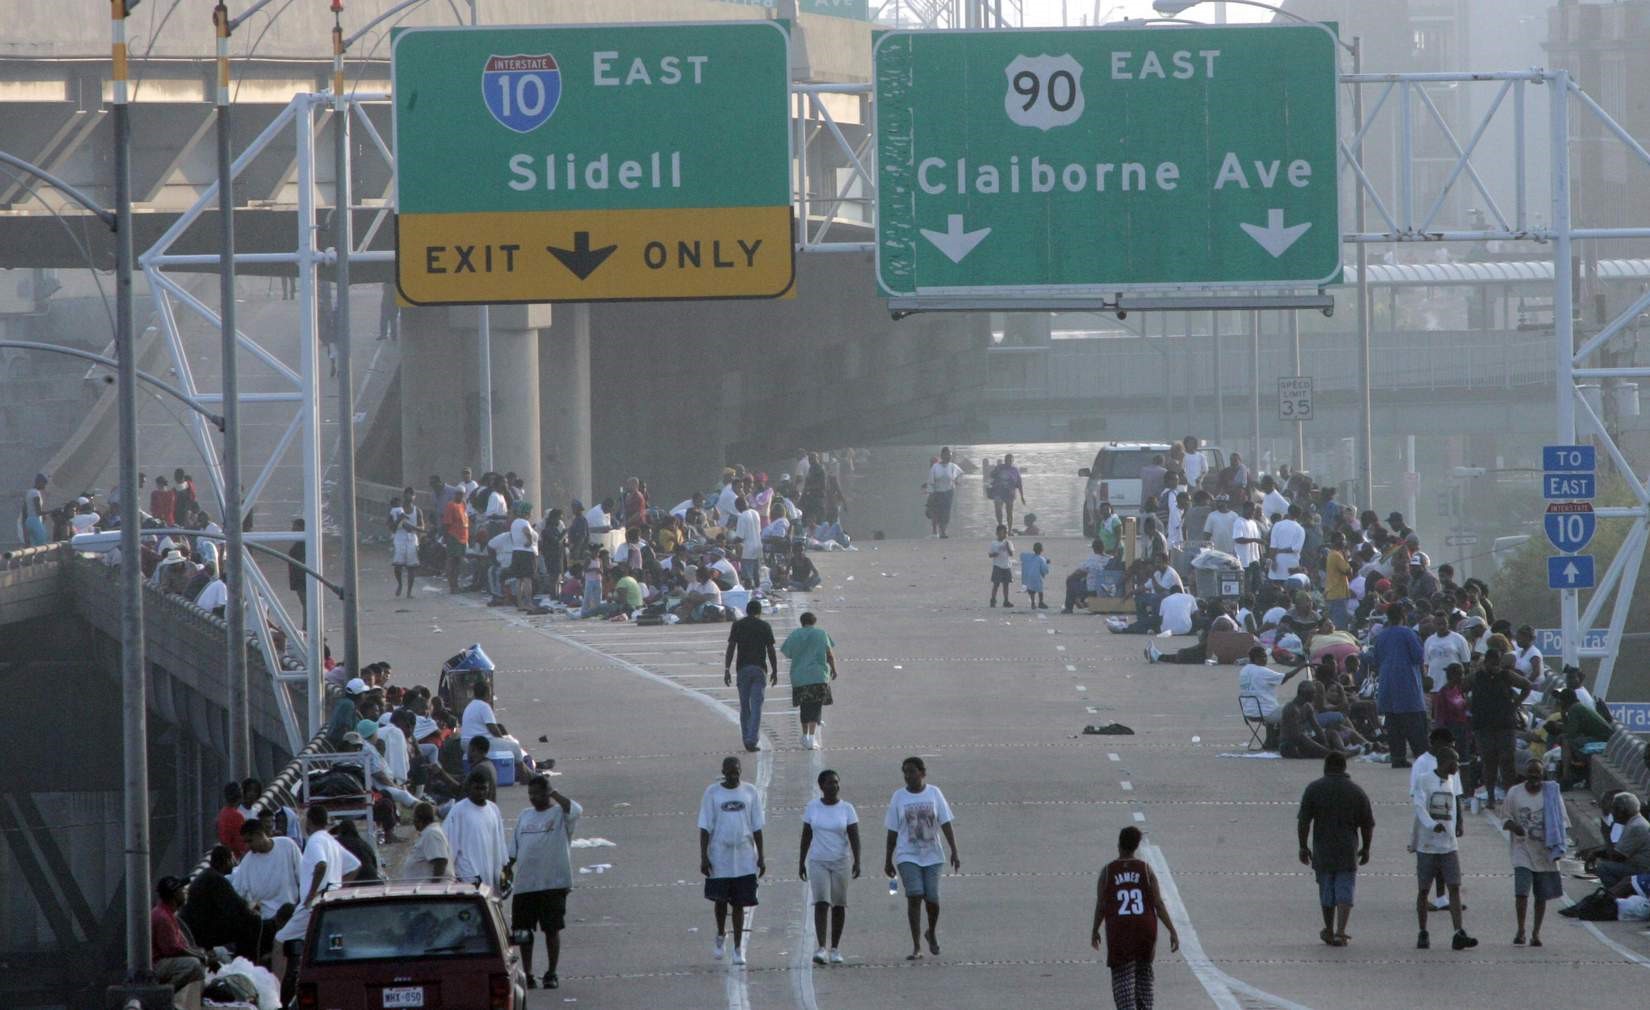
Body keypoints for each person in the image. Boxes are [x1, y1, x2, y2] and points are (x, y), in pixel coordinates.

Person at [275, 807, 362, 1004]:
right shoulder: (331, 840)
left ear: (309, 821)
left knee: (279, 941)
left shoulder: (315, 840)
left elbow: (321, 865)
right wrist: (339, 889)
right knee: (330, 947)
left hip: (314, 904)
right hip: (331, 903)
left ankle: (275, 994)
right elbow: (355, 865)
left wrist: (310, 896)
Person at [1090, 825, 1179, 1010]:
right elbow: (1158, 904)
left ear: (1118, 844)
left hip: (1120, 932)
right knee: (1143, 976)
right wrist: (1172, 930)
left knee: (1123, 980)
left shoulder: (1108, 872)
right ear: (1136, 846)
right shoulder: (1146, 870)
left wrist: (1095, 929)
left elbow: (1101, 905)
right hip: (1145, 930)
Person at [883, 756, 960, 960]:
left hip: (932, 854)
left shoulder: (934, 793)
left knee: (932, 898)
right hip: (907, 854)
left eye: (912, 772)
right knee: (915, 895)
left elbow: (945, 822)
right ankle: (916, 946)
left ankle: (931, 932)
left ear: (922, 773)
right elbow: (892, 830)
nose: (908, 776)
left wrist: (954, 850)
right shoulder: (899, 797)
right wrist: (888, 859)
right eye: (905, 772)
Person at [509, 775, 582, 990]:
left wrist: (553, 792)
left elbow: (576, 808)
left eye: (538, 793)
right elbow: (513, 849)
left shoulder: (561, 814)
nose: (533, 798)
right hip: (525, 884)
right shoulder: (524, 816)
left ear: (547, 792)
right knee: (523, 933)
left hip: (553, 883)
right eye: (530, 794)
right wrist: (506, 869)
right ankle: (528, 974)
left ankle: (551, 972)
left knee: (552, 930)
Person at [1297, 751, 1375, 946]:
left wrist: (1303, 846)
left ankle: (1329, 929)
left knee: (1326, 890)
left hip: (1323, 849)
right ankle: (1341, 930)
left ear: (1325, 767)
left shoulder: (1314, 789)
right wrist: (1366, 848)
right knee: (1344, 890)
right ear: (1344, 768)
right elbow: (1367, 824)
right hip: (1347, 849)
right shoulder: (1356, 791)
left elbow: (1304, 821)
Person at [699, 756, 766, 966]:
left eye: (736, 770)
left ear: (740, 770)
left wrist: (761, 856)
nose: (733, 775)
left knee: (739, 902)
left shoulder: (750, 792)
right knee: (720, 900)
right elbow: (704, 826)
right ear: (723, 772)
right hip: (720, 854)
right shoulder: (712, 793)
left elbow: (757, 826)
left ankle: (738, 947)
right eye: (729, 771)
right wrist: (704, 856)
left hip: (744, 855)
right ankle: (721, 933)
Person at [1412, 747, 1476, 950]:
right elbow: (1419, 808)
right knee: (1424, 889)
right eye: (1455, 761)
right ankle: (1423, 931)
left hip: (1448, 845)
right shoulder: (1424, 780)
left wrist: (1457, 826)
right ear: (1445, 761)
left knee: (1455, 886)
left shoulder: (1450, 780)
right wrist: (1431, 825)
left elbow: (1454, 807)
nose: (1457, 765)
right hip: (1428, 845)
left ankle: (1458, 932)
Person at [1502, 757, 1569, 946]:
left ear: (1543, 775)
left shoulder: (1552, 795)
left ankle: (1536, 933)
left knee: (1541, 896)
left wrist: (1557, 839)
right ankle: (1521, 930)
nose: (1534, 778)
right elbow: (1504, 819)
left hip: (1544, 852)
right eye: (1530, 774)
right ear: (1524, 774)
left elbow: (1563, 822)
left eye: (1537, 774)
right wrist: (1514, 826)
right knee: (1521, 892)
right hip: (1522, 849)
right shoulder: (1514, 793)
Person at [800, 769, 861, 966]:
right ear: (821, 786)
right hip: (818, 861)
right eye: (829, 783)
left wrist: (857, 860)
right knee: (821, 902)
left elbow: (854, 836)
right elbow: (806, 835)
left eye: (836, 782)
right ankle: (821, 948)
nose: (833, 786)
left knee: (839, 904)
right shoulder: (813, 808)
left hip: (841, 861)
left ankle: (835, 948)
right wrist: (801, 861)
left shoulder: (847, 809)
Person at [231, 818, 303, 952]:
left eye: (249, 841)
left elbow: (303, 877)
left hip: (291, 915)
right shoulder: (247, 863)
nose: (247, 846)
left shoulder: (287, 846)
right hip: (266, 923)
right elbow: (238, 893)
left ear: (259, 835)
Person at [180, 844, 263, 957]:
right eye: (232, 859)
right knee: (253, 921)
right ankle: (246, 962)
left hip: (198, 929)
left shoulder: (207, 875)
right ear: (227, 860)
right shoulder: (215, 879)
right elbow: (238, 907)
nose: (234, 864)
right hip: (203, 933)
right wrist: (253, 906)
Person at [1374, 602, 1429, 768]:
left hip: (1387, 684)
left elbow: (1376, 658)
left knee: (1393, 723)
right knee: (1415, 725)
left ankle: (1397, 757)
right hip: (1407, 685)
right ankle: (1422, 759)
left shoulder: (1381, 636)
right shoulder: (1408, 633)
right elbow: (1418, 656)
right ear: (1403, 616)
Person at [724, 600, 778, 752]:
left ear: (747, 611)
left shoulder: (738, 625)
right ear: (759, 612)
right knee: (756, 706)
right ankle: (752, 739)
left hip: (743, 669)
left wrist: (727, 669)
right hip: (759, 669)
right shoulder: (764, 626)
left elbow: (731, 647)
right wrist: (775, 670)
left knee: (744, 706)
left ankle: (746, 737)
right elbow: (770, 649)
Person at [782, 611, 838, 750]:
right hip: (818, 675)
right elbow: (829, 654)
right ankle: (811, 738)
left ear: (802, 622)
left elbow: (787, 652)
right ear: (814, 621)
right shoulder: (821, 633)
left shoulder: (795, 634)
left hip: (799, 676)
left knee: (804, 706)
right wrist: (834, 669)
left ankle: (805, 735)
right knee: (816, 706)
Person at [460, 679, 536, 781]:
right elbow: (493, 728)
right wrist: (503, 739)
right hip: (479, 744)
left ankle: (526, 773)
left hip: (465, 743)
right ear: (487, 692)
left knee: (508, 744)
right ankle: (524, 776)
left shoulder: (469, 706)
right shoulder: (484, 706)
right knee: (514, 746)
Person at [152, 876, 218, 991]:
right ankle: (163, 993)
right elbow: (173, 950)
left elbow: (182, 946)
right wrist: (203, 958)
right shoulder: (162, 917)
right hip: (155, 965)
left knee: (200, 956)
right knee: (193, 964)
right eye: (182, 890)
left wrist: (202, 954)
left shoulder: (167, 912)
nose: (185, 892)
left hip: (163, 961)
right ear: (174, 895)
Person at [445, 770, 509, 888]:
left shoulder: (494, 809)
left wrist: (505, 868)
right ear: (469, 788)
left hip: (490, 878)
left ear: (489, 788)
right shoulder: (458, 811)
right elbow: (449, 847)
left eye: (484, 788)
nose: (481, 792)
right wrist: (453, 876)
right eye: (477, 788)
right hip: (468, 879)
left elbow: (500, 843)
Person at [1593, 793, 1650, 889]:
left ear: (1622, 811)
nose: (1612, 813)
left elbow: (1618, 856)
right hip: (1637, 866)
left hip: (1640, 870)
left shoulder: (1636, 826)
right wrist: (1597, 853)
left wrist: (1606, 833)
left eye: (1614, 809)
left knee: (1603, 867)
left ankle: (1615, 896)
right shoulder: (1634, 822)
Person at [401, 801, 452, 881]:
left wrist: (433, 888)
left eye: (414, 818)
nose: (413, 821)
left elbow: (440, 861)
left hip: (430, 891)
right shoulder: (428, 833)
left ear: (418, 819)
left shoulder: (432, 834)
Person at [390, 486, 425, 597]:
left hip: (412, 538)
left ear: (414, 497)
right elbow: (391, 527)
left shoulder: (417, 511)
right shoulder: (396, 510)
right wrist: (399, 521)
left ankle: (409, 592)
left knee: (411, 567)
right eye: (407, 494)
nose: (409, 496)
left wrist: (414, 529)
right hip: (400, 537)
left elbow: (422, 527)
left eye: (412, 494)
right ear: (404, 495)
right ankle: (400, 584)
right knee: (398, 565)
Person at [926, 447, 962, 538]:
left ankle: (943, 531)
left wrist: (956, 481)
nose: (948, 457)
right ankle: (937, 531)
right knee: (938, 512)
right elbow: (930, 481)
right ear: (942, 455)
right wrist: (931, 493)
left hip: (948, 492)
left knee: (946, 512)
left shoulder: (952, 466)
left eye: (950, 455)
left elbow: (959, 473)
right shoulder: (935, 467)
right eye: (946, 455)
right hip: (937, 492)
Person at [989, 452, 1026, 530]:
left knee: (1009, 512)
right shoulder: (999, 467)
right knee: (998, 509)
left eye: (1010, 460)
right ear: (1004, 460)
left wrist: (1022, 496)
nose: (1009, 462)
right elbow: (991, 475)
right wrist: (996, 471)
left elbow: (1019, 483)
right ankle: (1000, 526)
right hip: (998, 492)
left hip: (1010, 493)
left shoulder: (1015, 470)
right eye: (1007, 460)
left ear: (1013, 461)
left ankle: (1009, 530)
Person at [442, 487, 469, 594]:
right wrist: (446, 538)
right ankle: (452, 586)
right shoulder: (451, 505)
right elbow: (446, 524)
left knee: (458, 563)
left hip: (463, 538)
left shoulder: (463, 505)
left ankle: (456, 584)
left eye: (462, 494)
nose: (460, 496)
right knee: (452, 562)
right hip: (454, 537)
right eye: (458, 494)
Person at [988, 524, 1016, 607]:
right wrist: (994, 554)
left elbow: (1011, 554)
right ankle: (993, 600)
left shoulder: (1009, 542)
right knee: (996, 584)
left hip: (1006, 566)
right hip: (997, 566)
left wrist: (1007, 547)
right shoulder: (994, 543)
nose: (1003, 535)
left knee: (1006, 584)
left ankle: (1006, 600)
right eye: (1001, 533)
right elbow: (990, 555)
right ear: (997, 533)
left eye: (1005, 533)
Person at [21, 473, 50, 545]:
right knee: (42, 541)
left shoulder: (29, 492)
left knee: (34, 544)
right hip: (35, 520)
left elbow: (25, 510)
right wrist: (51, 511)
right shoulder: (36, 493)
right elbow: (38, 512)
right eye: (44, 484)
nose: (45, 486)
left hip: (29, 521)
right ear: (39, 482)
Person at [1021, 541, 1050, 609]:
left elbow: (1023, 556)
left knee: (1032, 590)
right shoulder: (1041, 559)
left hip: (1029, 576)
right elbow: (1044, 569)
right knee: (1040, 590)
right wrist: (1045, 571)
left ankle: (1033, 603)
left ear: (1033, 550)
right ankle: (1041, 602)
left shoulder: (1030, 557)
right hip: (1037, 577)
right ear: (1042, 550)